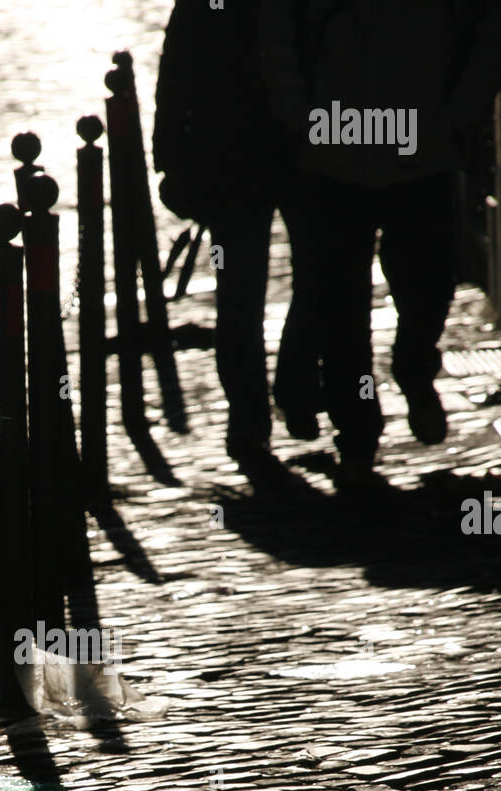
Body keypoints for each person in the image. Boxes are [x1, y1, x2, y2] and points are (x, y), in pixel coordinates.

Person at [259, 0, 501, 481]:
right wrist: (301, 117)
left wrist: (456, 114)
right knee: (341, 305)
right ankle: (357, 428)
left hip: (421, 148)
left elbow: (486, 28)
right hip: (334, 155)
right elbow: (277, 34)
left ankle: (413, 367)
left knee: (429, 283)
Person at [152, 0, 322, 466]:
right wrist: (170, 158)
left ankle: (289, 388)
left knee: (309, 279)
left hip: (296, 154)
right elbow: (180, 67)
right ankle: (253, 416)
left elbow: (177, 68)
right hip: (240, 163)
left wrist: (171, 156)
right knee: (244, 295)